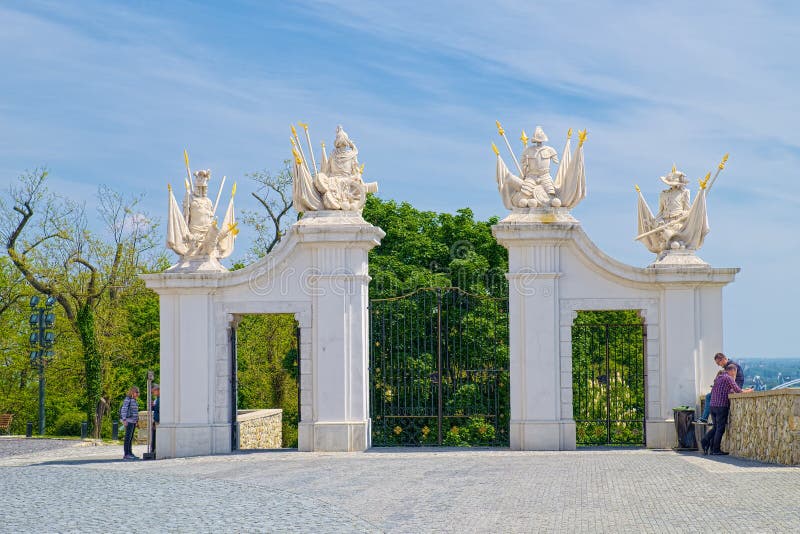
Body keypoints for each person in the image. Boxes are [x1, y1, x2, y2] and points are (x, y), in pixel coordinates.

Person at [701, 363, 749, 455]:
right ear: (733, 371)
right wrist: (749, 391)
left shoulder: (719, 377)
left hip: (713, 406)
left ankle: (706, 441)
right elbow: (738, 390)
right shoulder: (728, 378)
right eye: (735, 373)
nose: (735, 375)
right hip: (721, 406)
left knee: (716, 427)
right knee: (720, 428)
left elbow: (726, 390)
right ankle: (715, 449)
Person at [699, 352, 743, 423]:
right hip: (732, 387)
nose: (719, 365)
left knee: (709, 396)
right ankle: (706, 418)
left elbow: (733, 380)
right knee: (709, 396)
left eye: (718, 363)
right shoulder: (728, 366)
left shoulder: (731, 365)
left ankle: (705, 418)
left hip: (734, 387)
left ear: (723, 359)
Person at [119, 386, 140, 460]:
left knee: (131, 438)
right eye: (136, 392)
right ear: (132, 392)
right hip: (129, 421)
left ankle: (130, 453)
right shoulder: (128, 399)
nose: (138, 394)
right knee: (127, 438)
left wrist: (137, 421)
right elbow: (124, 410)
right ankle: (126, 454)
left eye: (138, 392)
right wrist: (124, 420)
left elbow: (135, 412)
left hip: (133, 421)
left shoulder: (134, 400)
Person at [151, 383, 160, 455]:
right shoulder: (157, 398)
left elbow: (159, 409)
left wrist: (154, 406)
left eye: (153, 391)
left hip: (158, 420)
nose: (153, 393)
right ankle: (153, 449)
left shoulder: (160, 399)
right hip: (156, 419)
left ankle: (154, 450)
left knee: (156, 437)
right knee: (154, 436)